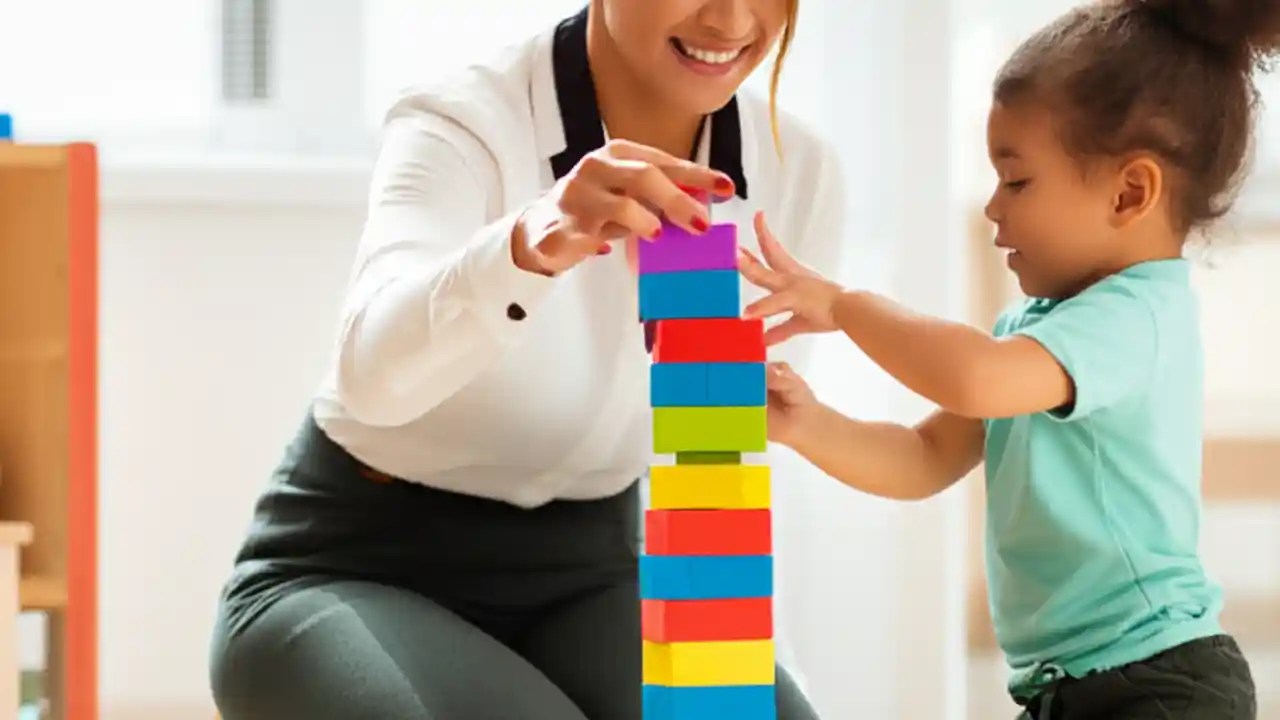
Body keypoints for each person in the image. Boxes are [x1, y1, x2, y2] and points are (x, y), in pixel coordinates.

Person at [207, 0, 847, 718]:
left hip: (596, 576)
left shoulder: (796, 171)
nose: (731, 19)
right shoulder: (463, 123)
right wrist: (527, 246)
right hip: (355, 566)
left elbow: (719, 462)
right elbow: (370, 379)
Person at [734, 0, 1270, 718]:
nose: (993, 207)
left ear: (1129, 192)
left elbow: (974, 376)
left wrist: (842, 305)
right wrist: (810, 425)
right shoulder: (1036, 333)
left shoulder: (1138, 316)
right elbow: (923, 456)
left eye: (1016, 181)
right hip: (1071, 685)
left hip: (1157, 682)